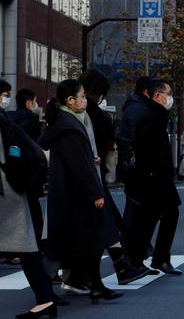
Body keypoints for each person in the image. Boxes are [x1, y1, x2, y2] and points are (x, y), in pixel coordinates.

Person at [39, 80, 122, 303]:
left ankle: (95, 284)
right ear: (70, 101)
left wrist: (90, 159)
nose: (85, 100)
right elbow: (78, 165)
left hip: (71, 192)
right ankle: (45, 292)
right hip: (76, 194)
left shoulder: (66, 121)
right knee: (62, 246)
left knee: (91, 240)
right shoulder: (69, 126)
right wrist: (96, 194)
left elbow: (75, 158)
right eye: (82, 96)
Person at [80, 70, 150, 285]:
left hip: (90, 175)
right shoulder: (87, 113)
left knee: (100, 225)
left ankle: (109, 274)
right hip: (90, 176)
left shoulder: (84, 112)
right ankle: (118, 268)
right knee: (102, 224)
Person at [0, 103, 64, 318]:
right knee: (25, 246)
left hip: (4, 192)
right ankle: (45, 299)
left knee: (25, 246)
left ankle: (45, 298)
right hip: (12, 190)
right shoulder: (5, 120)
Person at [125, 78, 182, 276]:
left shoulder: (154, 113)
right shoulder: (150, 115)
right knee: (151, 218)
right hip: (153, 177)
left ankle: (148, 259)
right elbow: (146, 148)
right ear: (158, 96)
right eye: (168, 94)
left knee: (156, 216)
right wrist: (152, 172)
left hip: (156, 176)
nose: (170, 98)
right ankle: (146, 259)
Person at [7, 88, 46, 248]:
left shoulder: (9, 119)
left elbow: (13, 145)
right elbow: (34, 146)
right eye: (35, 100)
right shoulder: (31, 120)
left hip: (14, 169)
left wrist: (14, 158)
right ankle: (38, 243)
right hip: (30, 171)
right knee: (33, 209)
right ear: (29, 103)